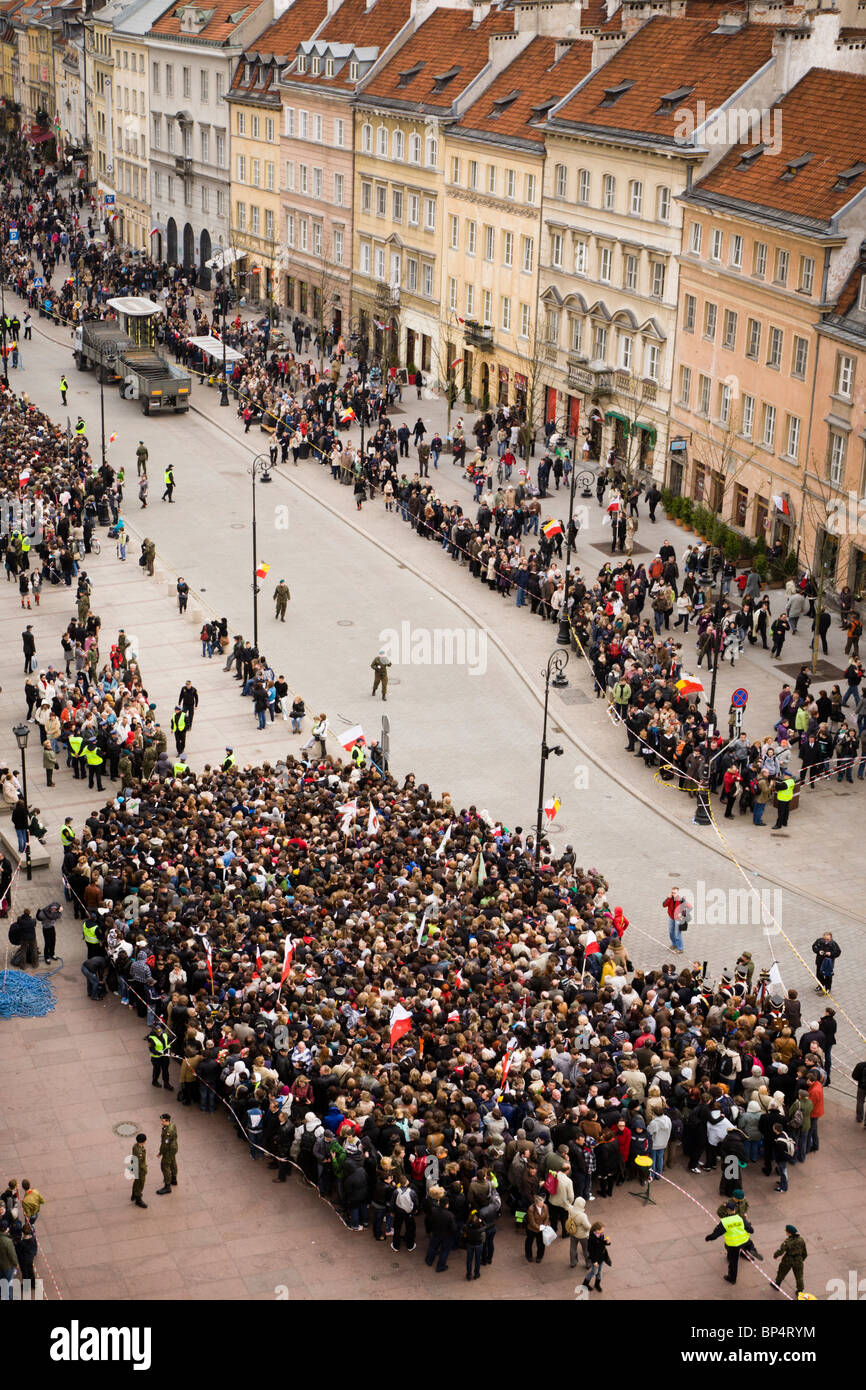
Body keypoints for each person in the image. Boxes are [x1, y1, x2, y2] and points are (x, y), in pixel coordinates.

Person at [705, 1201, 763, 1285]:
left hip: (733, 1245)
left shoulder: (724, 1222)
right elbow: (751, 1230)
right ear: (735, 1210)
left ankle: (732, 1278)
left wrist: (708, 1238)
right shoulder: (740, 1219)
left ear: (727, 1210)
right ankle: (752, 1250)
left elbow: (715, 1235)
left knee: (733, 1263)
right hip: (745, 1240)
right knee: (750, 1244)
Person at [772, 1225, 808, 1295]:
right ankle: (800, 1290)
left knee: (781, 1272)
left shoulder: (787, 1242)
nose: (786, 1233)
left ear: (790, 1233)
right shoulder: (801, 1240)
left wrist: (775, 1255)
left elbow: (781, 1250)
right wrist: (801, 1259)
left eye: (786, 1231)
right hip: (798, 1260)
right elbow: (804, 1252)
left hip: (788, 1260)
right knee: (799, 1276)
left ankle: (777, 1284)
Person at [583, 1222, 611, 1292]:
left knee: (600, 1272)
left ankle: (597, 1284)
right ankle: (585, 1284)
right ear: (596, 1230)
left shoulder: (601, 1234)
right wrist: (594, 1261)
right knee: (593, 1272)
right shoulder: (591, 1238)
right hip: (595, 1258)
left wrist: (607, 1242)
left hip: (601, 1256)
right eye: (601, 1230)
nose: (603, 1231)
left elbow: (601, 1243)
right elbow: (590, 1251)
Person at [155, 1113, 178, 1194]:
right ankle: (174, 1179)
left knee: (165, 1166)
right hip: (174, 1147)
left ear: (167, 1120)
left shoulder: (168, 1131)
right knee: (172, 1162)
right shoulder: (172, 1125)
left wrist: (160, 1153)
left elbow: (165, 1144)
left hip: (169, 1149)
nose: (161, 1122)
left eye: (163, 1121)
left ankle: (167, 1186)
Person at [524, 1190, 549, 1263]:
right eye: (541, 1203)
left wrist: (544, 1225)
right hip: (531, 1229)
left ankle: (539, 1257)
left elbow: (547, 1217)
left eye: (543, 1202)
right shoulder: (531, 1209)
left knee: (541, 1244)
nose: (542, 1205)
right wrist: (539, 1227)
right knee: (529, 1242)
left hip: (541, 1229)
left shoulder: (545, 1207)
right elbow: (532, 1222)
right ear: (536, 1203)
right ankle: (528, 1255)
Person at [148, 1022, 173, 1089]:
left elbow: (167, 1039)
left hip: (165, 1056)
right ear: (154, 1031)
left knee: (165, 1070)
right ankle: (155, 1081)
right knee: (157, 1070)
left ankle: (166, 1083)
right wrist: (157, 1052)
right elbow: (151, 1049)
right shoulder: (151, 1038)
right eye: (157, 1032)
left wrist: (173, 1038)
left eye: (160, 1031)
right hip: (156, 1058)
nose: (159, 1033)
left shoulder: (164, 1034)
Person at [131, 1133, 148, 1208]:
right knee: (140, 1184)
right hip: (140, 1170)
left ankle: (134, 1194)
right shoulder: (140, 1152)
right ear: (144, 1141)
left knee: (136, 1182)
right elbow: (140, 1164)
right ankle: (138, 1199)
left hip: (135, 1168)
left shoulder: (135, 1146)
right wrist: (145, 1169)